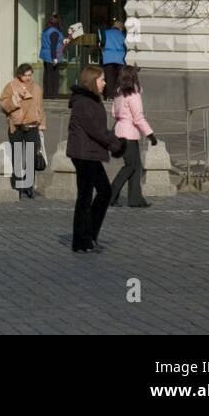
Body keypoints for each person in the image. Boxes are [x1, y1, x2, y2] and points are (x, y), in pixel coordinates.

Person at [66, 66, 125, 252]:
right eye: (101, 80)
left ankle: (89, 234)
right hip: (84, 154)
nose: (105, 83)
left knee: (104, 192)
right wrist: (116, 144)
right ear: (93, 81)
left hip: (90, 153)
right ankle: (81, 240)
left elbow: (98, 130)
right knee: (85, 197)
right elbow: (97, 131)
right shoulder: (84, 103)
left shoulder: (91, 100)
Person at [109, 65, 155, 208]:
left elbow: (114, 114)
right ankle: (110, 195)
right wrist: (150, 134)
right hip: (129, 133)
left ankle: (135, 199)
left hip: (120, 130)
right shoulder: (133, 95)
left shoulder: (118, 94)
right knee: (130, 166)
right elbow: (138, 118)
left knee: (136, 166)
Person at [0, 63, 46, 199]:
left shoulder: (36, 88)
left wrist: (41, 125)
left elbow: (40, 108)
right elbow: (3, 104)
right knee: (17, 156)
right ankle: (17, 186)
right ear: (19, 75)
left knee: (31, 157)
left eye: (30, 75)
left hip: (32, 126)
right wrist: (16, 99)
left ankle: (28, 186)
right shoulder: (11, 86)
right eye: (25, 75)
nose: (28, 78)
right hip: (17, 126)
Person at [40, 15, 68, 99]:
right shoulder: (54, 32)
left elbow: (55, 41)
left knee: (47, 75)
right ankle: (53, 95)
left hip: (45, 55)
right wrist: (54, 58)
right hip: (52, 56)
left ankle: (46, 94)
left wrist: (63, 41)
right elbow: (53, 45)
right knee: (54, 76)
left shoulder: (46, 31)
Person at [99, 17, 126, 96]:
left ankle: (110, 95)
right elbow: (125, 46)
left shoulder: (106, 32)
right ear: (121, 28)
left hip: (108, 58)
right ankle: (119, 95)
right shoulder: (123, 35)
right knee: (119, 78)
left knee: (109, 78)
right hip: (120, 58)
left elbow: (102, 44)